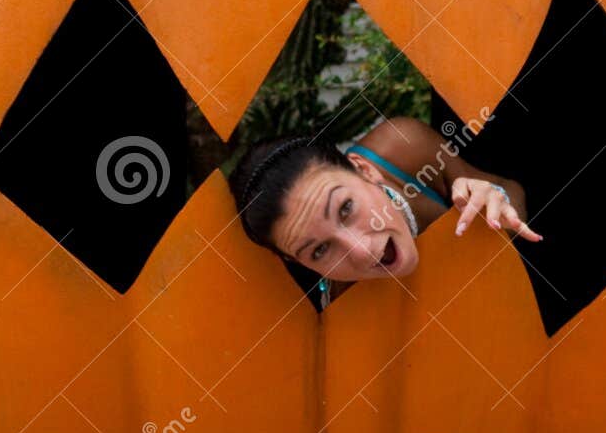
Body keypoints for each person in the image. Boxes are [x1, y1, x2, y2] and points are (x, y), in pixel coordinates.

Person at [229, 115, 541, 306]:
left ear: (363, 170)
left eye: (346, 208)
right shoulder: (341, 309)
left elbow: (509, 189)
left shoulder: (405, 150)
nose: (363, 252)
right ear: (293, 260)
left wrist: (495, 203)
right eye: (320, 249)